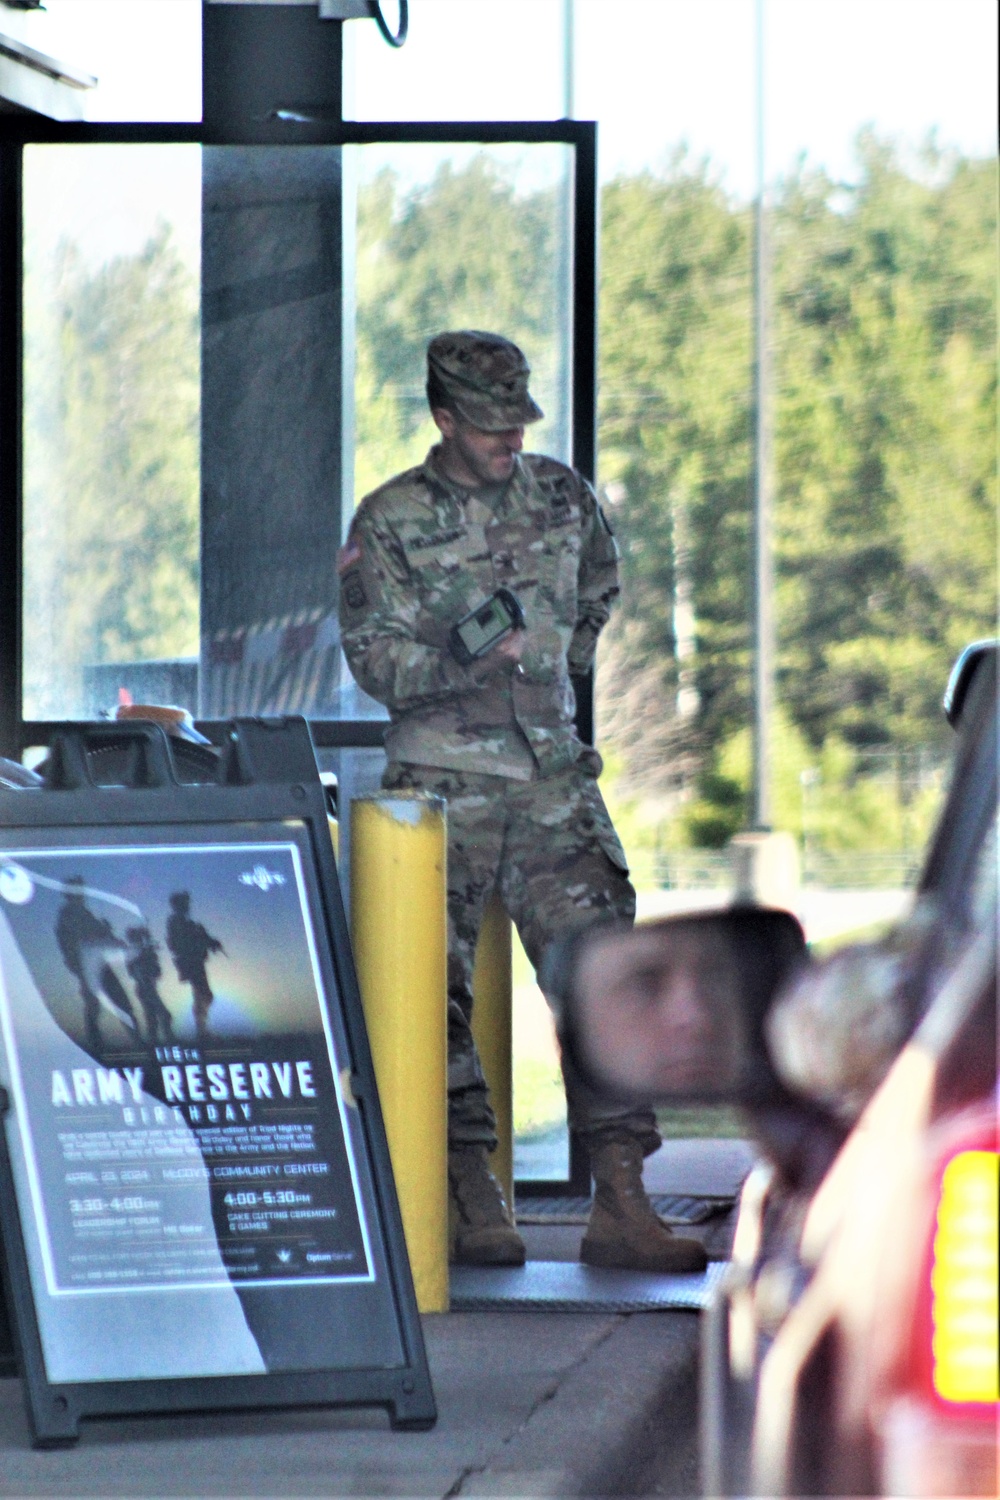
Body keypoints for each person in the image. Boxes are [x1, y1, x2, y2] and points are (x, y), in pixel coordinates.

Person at [339, 329, 706, 1273]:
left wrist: (560, 670)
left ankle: (622, 1198)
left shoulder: (559, 496)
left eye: (518, 421)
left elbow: (599, 586)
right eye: (491, 426)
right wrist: (458, 660)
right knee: (433, 988)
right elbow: (371, 659)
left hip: (549, 780)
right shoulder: (390, 519)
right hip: (440, 781)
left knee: (605, 974)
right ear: (444, 416)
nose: (510, 440)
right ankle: (470, 1193)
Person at [55, 876, 139, 1051]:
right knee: (96, 1005)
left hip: (99, 965)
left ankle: (137, 1043)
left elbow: (100, 935)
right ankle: (97, 1046)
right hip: (88, 967)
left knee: (118, 1002)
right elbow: (76, 941)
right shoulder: (68, 915)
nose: (82, 893)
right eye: (78, 890)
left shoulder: (82, 913)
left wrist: (113, 938)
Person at [165, 891, 224, 1041]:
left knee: (202, 995)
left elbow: (196, 938)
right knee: (203, 994)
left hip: (195, 962)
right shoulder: (177, 922)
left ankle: (202, 1031)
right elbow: (182, 943)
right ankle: (201, 1032)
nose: (188, 905)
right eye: (185, 902)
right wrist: (203, 940)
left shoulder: (184, 922)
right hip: (190, 962)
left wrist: (208, 941)